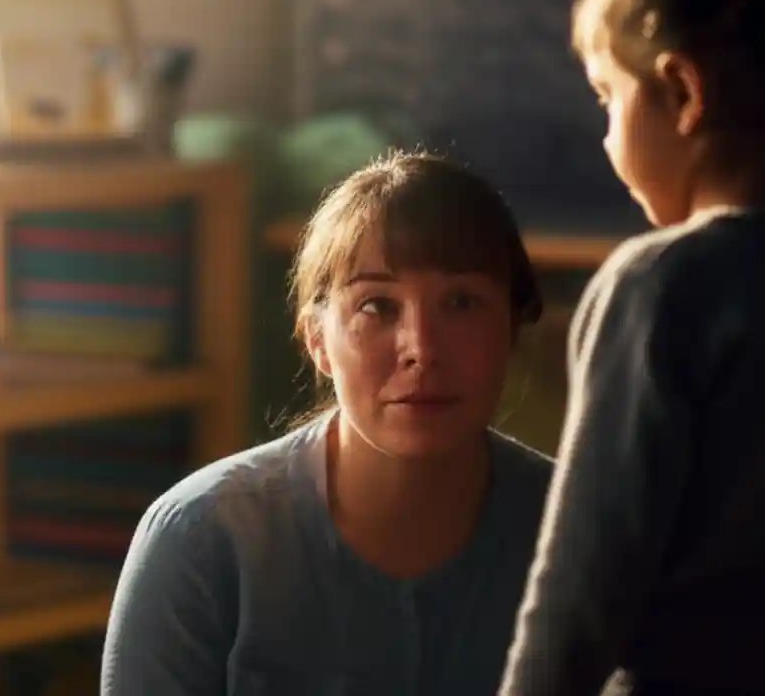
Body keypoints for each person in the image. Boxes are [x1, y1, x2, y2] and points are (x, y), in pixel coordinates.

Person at [499, 0, 765, 694]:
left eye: (608, 97)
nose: (606, 132)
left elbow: (585, 582)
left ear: (682, 93)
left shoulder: (659, 285)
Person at [101, 152, 552, 694]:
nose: (422, 349)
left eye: (460, 302)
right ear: (316, 340)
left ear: (511, 327)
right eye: (376, 307)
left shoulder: (574, 530)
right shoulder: (203, 541)